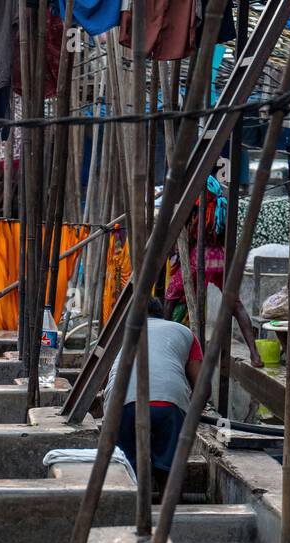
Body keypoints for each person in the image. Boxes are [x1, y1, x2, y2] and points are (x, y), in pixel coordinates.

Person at [105, 300, 203, 496]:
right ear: (161, 314)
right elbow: (202, 388)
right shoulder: (184, 332)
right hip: (169, 402)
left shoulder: (118, 334)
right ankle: (171, 512)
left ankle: (130, 508)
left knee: (126, 467)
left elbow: (101, 380)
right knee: (168, 469)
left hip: (123, 403)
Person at [164, 175, 262, 367]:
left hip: (199, 257)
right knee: (236, 305)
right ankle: (254, 354)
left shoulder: (197, 198)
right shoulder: (221, 200)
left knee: (170, 297)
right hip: (220, 257)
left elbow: (183, 228)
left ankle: (160, 337)